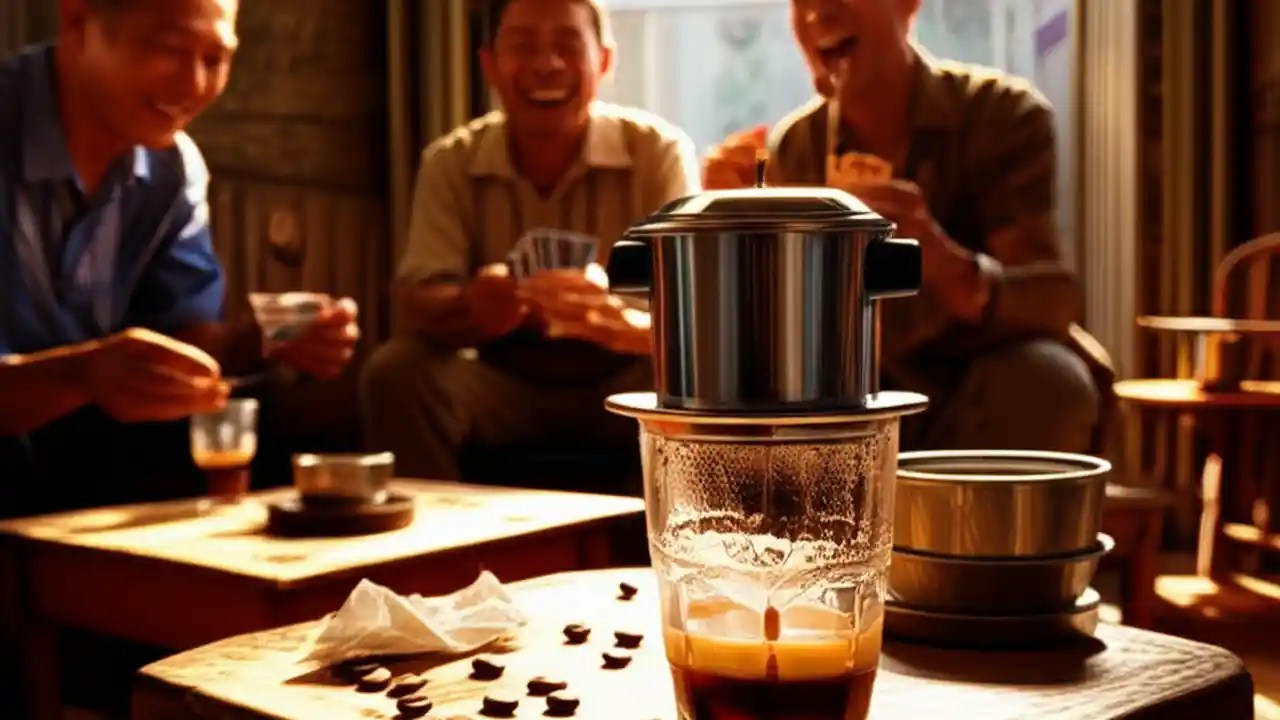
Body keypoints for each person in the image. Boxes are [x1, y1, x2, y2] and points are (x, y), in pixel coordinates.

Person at [697, 0, 1110, 454]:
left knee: (1046, 381)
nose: (819, 12)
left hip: (979, 383)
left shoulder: (1001, 114)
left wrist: (941, 259)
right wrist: (732, 229)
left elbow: (1051, 297)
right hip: (857, 394)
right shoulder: (797, 148)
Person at [0, 0, 360, 516]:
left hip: (84, 449)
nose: (194, 85)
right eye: (170, 49)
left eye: (215, 58)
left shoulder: (171, 168)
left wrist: (271, 336)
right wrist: (81, 375)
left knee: (268, 427)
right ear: (77, 22)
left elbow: (183, 335)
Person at [361, 0, 699, 483]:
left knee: (693, 375)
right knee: (396, 372)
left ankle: (664, 550)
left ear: (604, 61)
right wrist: (473, 306)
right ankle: (434, 554)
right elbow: (417, 297)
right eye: (523, 46)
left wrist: (609, 317)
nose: (547, 65)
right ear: (490, 66)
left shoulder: (658, 151)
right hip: (499, 383)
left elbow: (695, 313)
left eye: (567, 44)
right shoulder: (451, 161)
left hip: (626, 382)